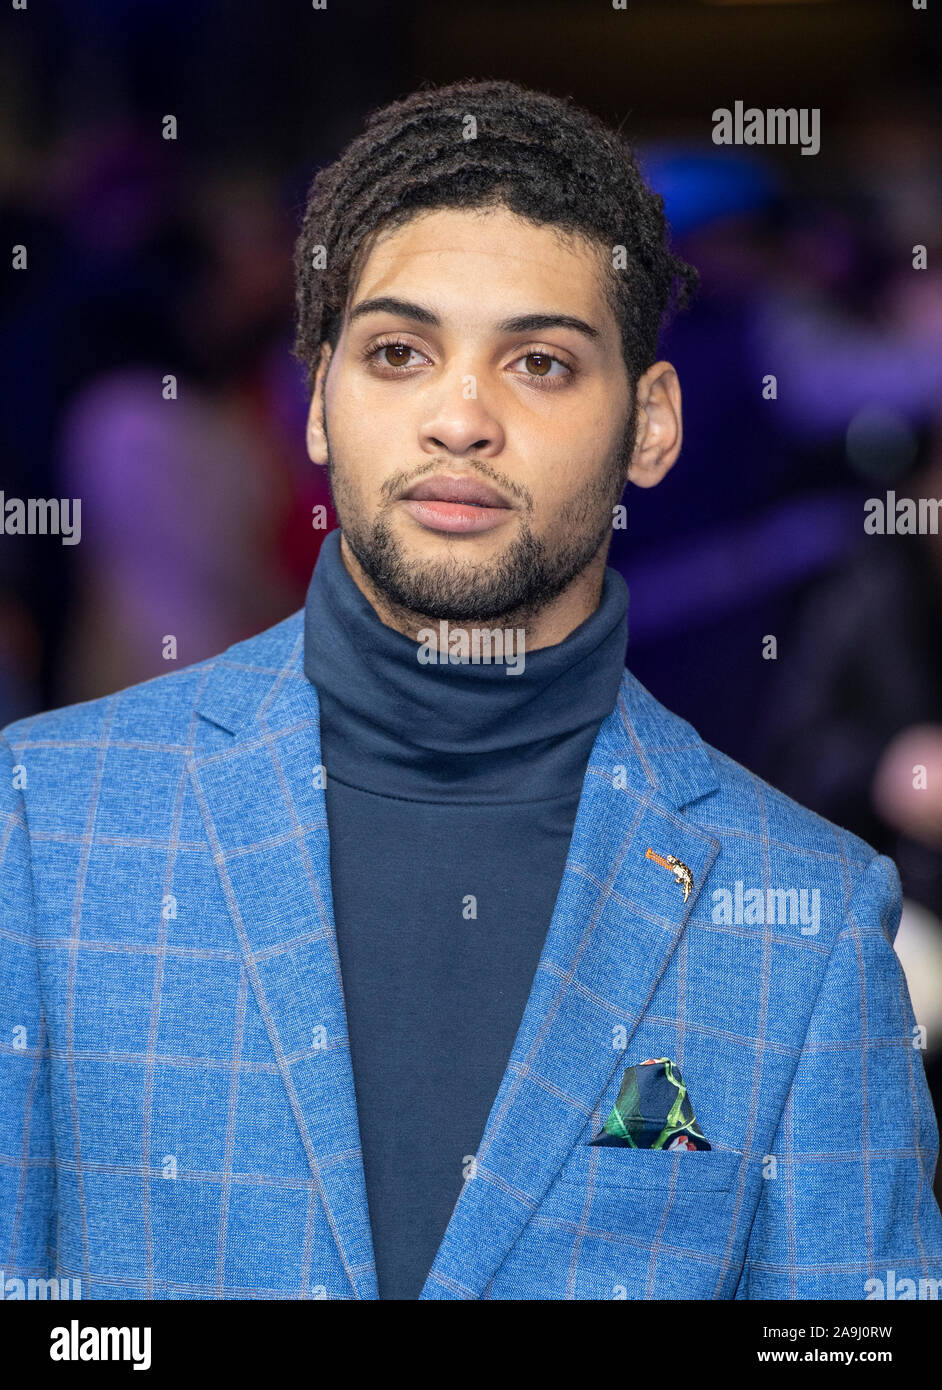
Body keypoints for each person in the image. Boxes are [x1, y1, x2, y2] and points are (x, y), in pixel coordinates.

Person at [2, 79, 940, 1302]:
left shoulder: (804, 919)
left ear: (650, 426)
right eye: (399, 352)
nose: (460, 417)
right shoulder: (44, 829)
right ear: (319, 396)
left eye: (540, 362)